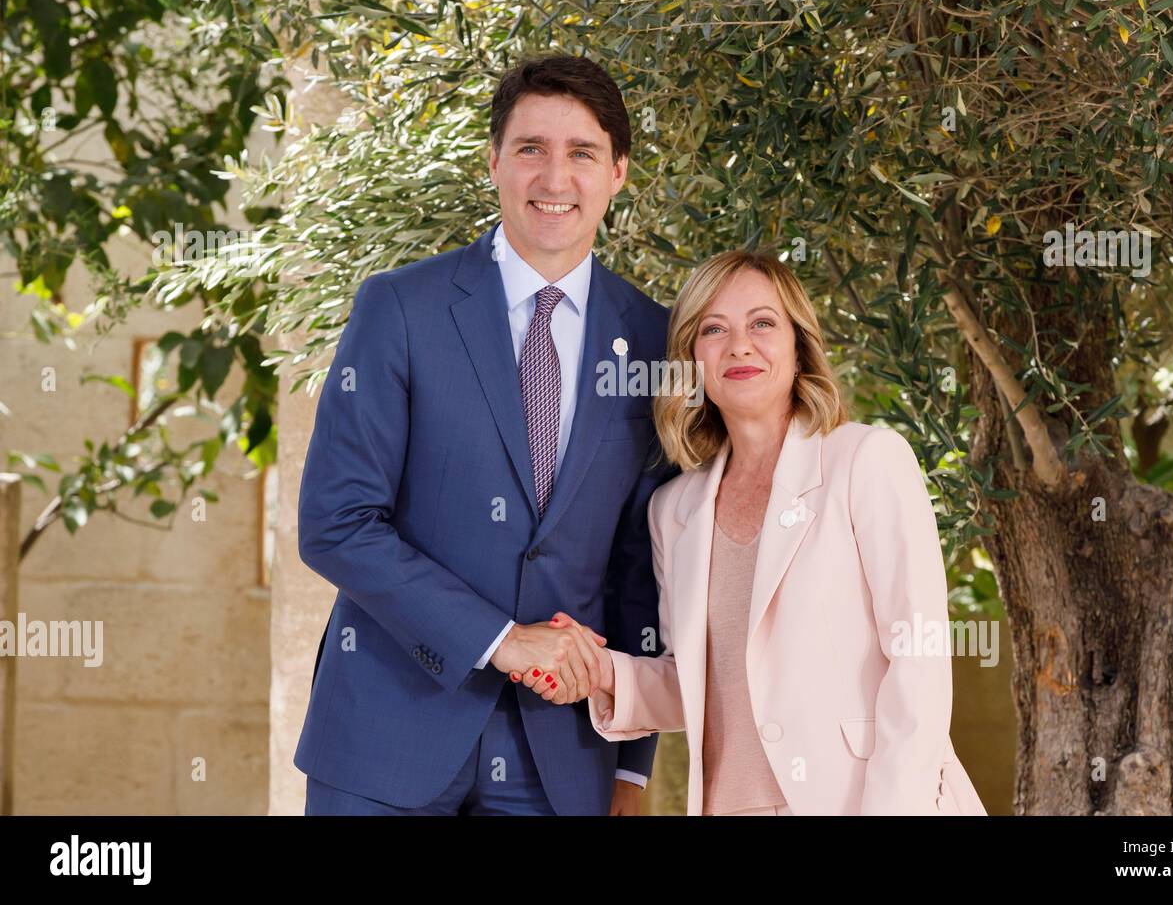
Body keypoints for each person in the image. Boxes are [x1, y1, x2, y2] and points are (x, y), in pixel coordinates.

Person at [295, 54, 672, 815]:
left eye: (582, 153)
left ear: (619, 173)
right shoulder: (400, 309)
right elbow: (335, 522)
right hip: (386, 736)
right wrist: (502, 638)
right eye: (531, 148)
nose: (554, 178)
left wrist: (632, 765)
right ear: (494, 161)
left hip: (561, 757)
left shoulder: (656, 342)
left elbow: (644, 566)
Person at [519, 249, 988, 815]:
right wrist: (600, 673)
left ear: (799, 345)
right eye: (714, 329)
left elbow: (919, 664)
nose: (739, 345)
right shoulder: (674, 509)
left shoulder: (865, 460)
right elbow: (691, 683)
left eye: (762, 323)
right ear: (692, 359)